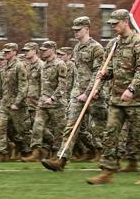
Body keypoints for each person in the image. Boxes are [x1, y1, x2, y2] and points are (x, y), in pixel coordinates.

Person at [87, 9, 140, 186]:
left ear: (126, 22)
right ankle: (107, 172)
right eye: (111, 24)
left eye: (116, 23)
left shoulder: (139, 43)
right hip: (116, 99)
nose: (113, 27)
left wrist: (131, 89)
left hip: (138, 101)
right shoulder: (113, 45)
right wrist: (98, 85)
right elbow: (108, 70)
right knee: (110, 135)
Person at [42, 17, 105, 171]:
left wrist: (89, 92)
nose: (76, 32)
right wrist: (76, 93)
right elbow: (78, 73)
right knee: (70, 126)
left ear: (87, 29)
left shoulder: (97, 48)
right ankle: (61, 160)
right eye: (74, 30)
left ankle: (110, 157)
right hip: (78, 94)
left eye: (79, 29)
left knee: (99, 129)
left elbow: (98, 72)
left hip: (94, 94)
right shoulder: (76, 48)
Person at [0, 42, 30, 163]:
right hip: (5, 104)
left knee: (22, 130)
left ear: (15, 52)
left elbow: (23, 86)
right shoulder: (4, 68)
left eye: (8, 52)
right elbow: (1, 86)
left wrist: (17, 102)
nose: (6, 54)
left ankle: (27, 151)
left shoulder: (20, 66)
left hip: (17, 105)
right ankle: (2, 153)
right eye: (5, 52)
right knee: (0, 126)